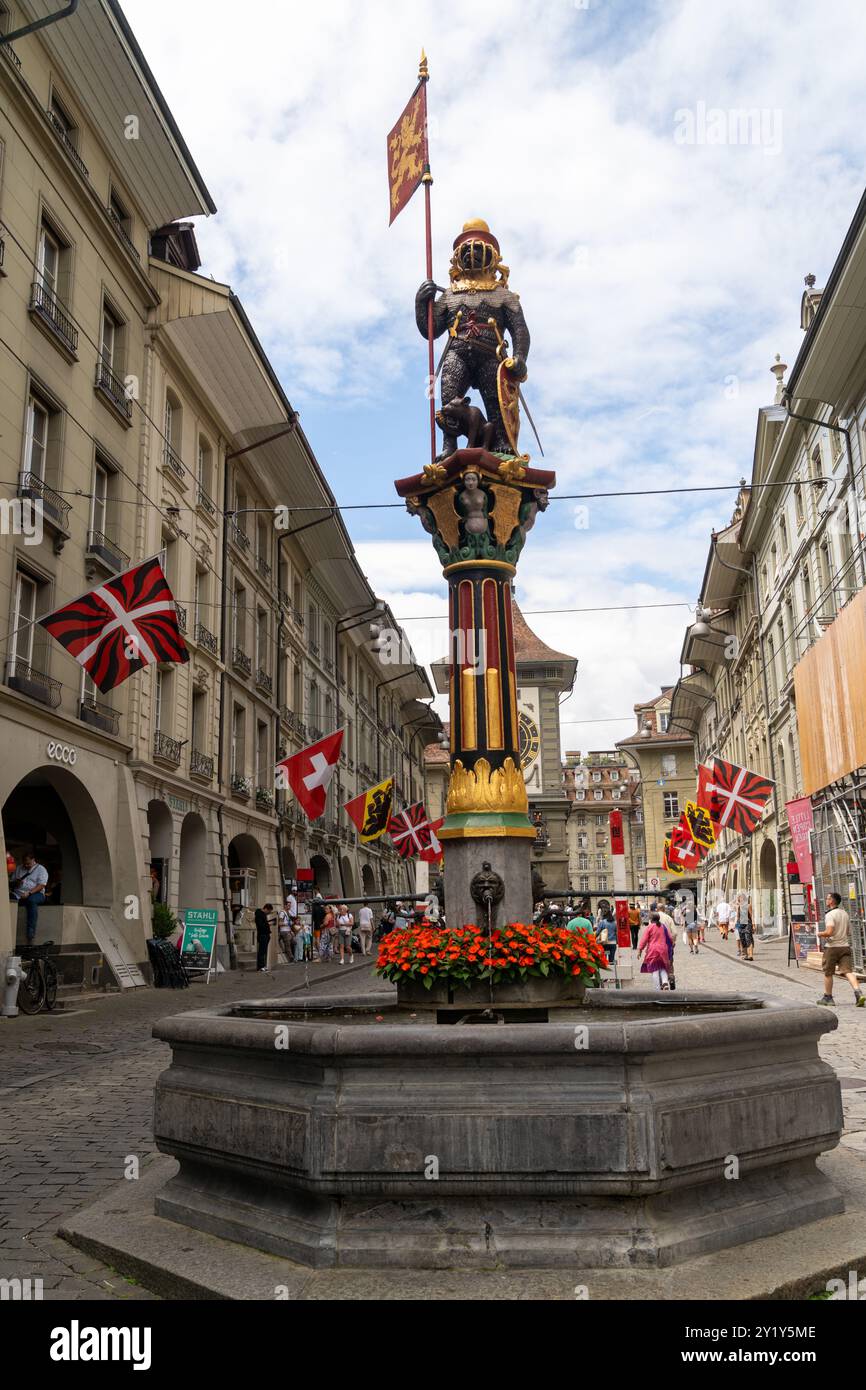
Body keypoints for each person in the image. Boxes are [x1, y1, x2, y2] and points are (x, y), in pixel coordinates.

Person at [816, 891, 865, 1008]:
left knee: (828, 973)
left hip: (832, 948)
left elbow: (829, 931)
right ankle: (858, 992)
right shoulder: (845, 913)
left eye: (828, 899)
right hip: (845, 946)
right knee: (848, 971)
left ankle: (828, 997)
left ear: (832, 901)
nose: (826, 900)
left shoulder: (830, 915)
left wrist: (820, 934)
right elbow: (847, 931)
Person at [9, 850, 49, 945]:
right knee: (8, 900)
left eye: (28, 863)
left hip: (36, 893)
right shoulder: (19, 868)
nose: (26, 866)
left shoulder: (41, 869)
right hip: (18, 894)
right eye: (24, 864)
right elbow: (12, 882)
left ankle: (30, 933)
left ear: (33, 860)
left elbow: (42, 885)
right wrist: (16, 883)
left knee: (31, 901)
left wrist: (29, 893)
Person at [637, 912, 673, 991]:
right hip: (663, 950)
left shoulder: (650, 927)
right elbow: (670, 937)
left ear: (651, 919)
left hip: (653, 951)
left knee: (654, 969)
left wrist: (640, 950)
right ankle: (665, 982)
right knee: (663, 967)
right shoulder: (663, 926)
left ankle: (657, 989)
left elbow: (644, 940)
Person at [734, 893, 754, 961]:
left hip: (747, 924)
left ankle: (750, 955)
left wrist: (753, 925)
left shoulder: (748, 906)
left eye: (742, 898)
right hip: (740, 924)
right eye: (740, 898)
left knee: (748, 939)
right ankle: (745, 954)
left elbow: (751, 916)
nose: (741, 899)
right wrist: (735, 925)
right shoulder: (738, 907)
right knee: (742, 940)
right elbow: (737, 916)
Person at [254, 902, 273, 972]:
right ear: (266, 909)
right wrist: (267, 926)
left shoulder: (263, 915)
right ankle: (260, 967)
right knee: (261, 951)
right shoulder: (259, 914)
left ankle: (263, 965)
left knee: (264, 951)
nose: (269, 913)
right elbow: (260, 925)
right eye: (269, 911)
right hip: (262, 935)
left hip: (265, 934)